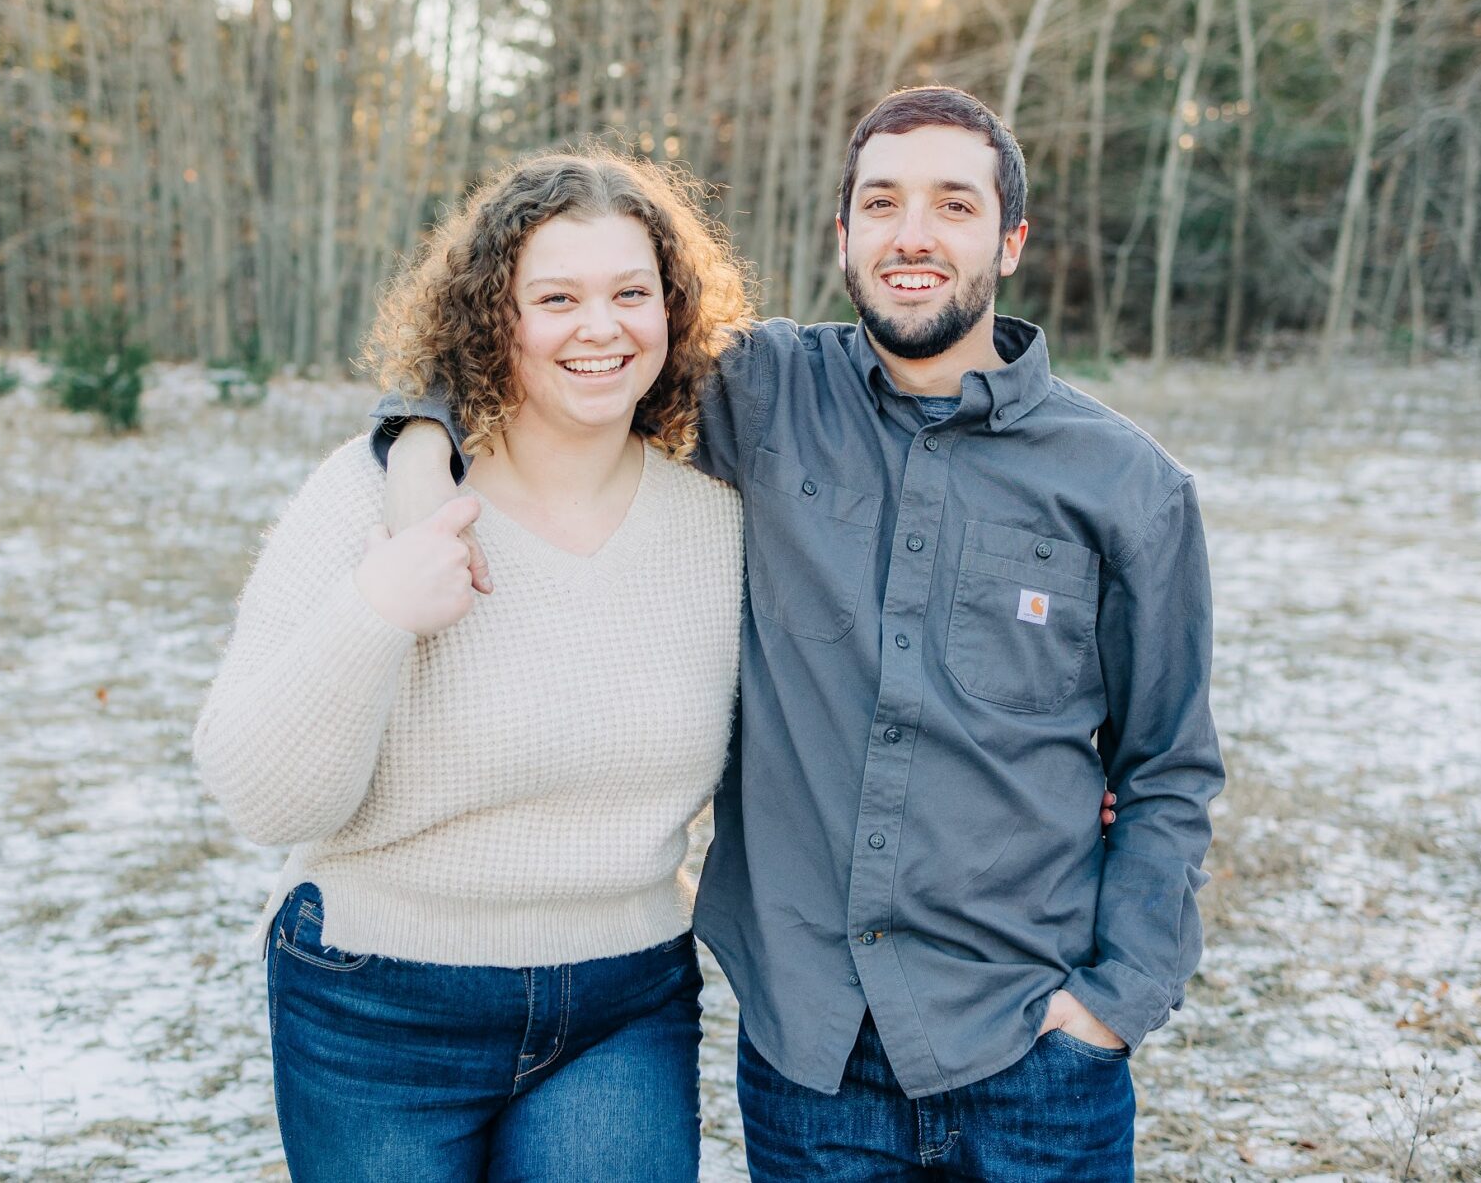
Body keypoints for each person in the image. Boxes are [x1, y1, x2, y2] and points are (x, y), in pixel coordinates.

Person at [379, 84, 1222, 1181]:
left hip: (1032, 1062)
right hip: (809, 1062)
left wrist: (1111, 1005)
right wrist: (411, 455)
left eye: (953, 207)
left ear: (1010, 240)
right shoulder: (761, 395)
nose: (910, 236)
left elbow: (1167, 769)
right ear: (843, 234)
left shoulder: (1127, 489)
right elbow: (537, 358)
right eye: (880, 204)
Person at [192, 149, 756, 1182]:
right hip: (376, 1000)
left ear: (670, 312)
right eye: (556, 298)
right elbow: (261, 798)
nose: (601, 328)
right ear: (494, 317)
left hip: (620, 1003)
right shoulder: (375, 497)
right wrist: (376, 613)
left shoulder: (719, 523)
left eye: (632, 293)